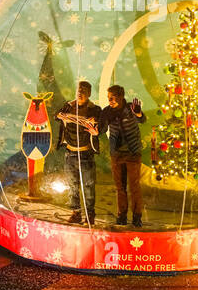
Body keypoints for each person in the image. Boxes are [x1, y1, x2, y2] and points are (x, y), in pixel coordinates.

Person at [98, 85, 147, 227]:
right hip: (117, 154)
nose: (110, 100)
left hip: (132, 153)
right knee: (120, 187)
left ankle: (137, 217)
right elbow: (101, 129)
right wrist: (95, 129)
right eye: (108, 98)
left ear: (121, 96)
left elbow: (142, 120)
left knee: (134, 186)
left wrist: (138, 114)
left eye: (112, 97)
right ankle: (122, 216)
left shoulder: (131, 107)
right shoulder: (107, 112)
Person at [57, 81, 101, 223]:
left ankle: (90, 214)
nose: (80, 93)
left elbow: (102, 125)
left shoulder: (95, 110)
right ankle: (76, 213)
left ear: (89, 94)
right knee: (72, 186)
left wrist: (96, 124)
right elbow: (56, 115)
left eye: (84, 91)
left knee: (88, 186)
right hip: (70, 154)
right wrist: (61, 116)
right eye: (78, 90)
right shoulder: (68, 106)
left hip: (86, 154)